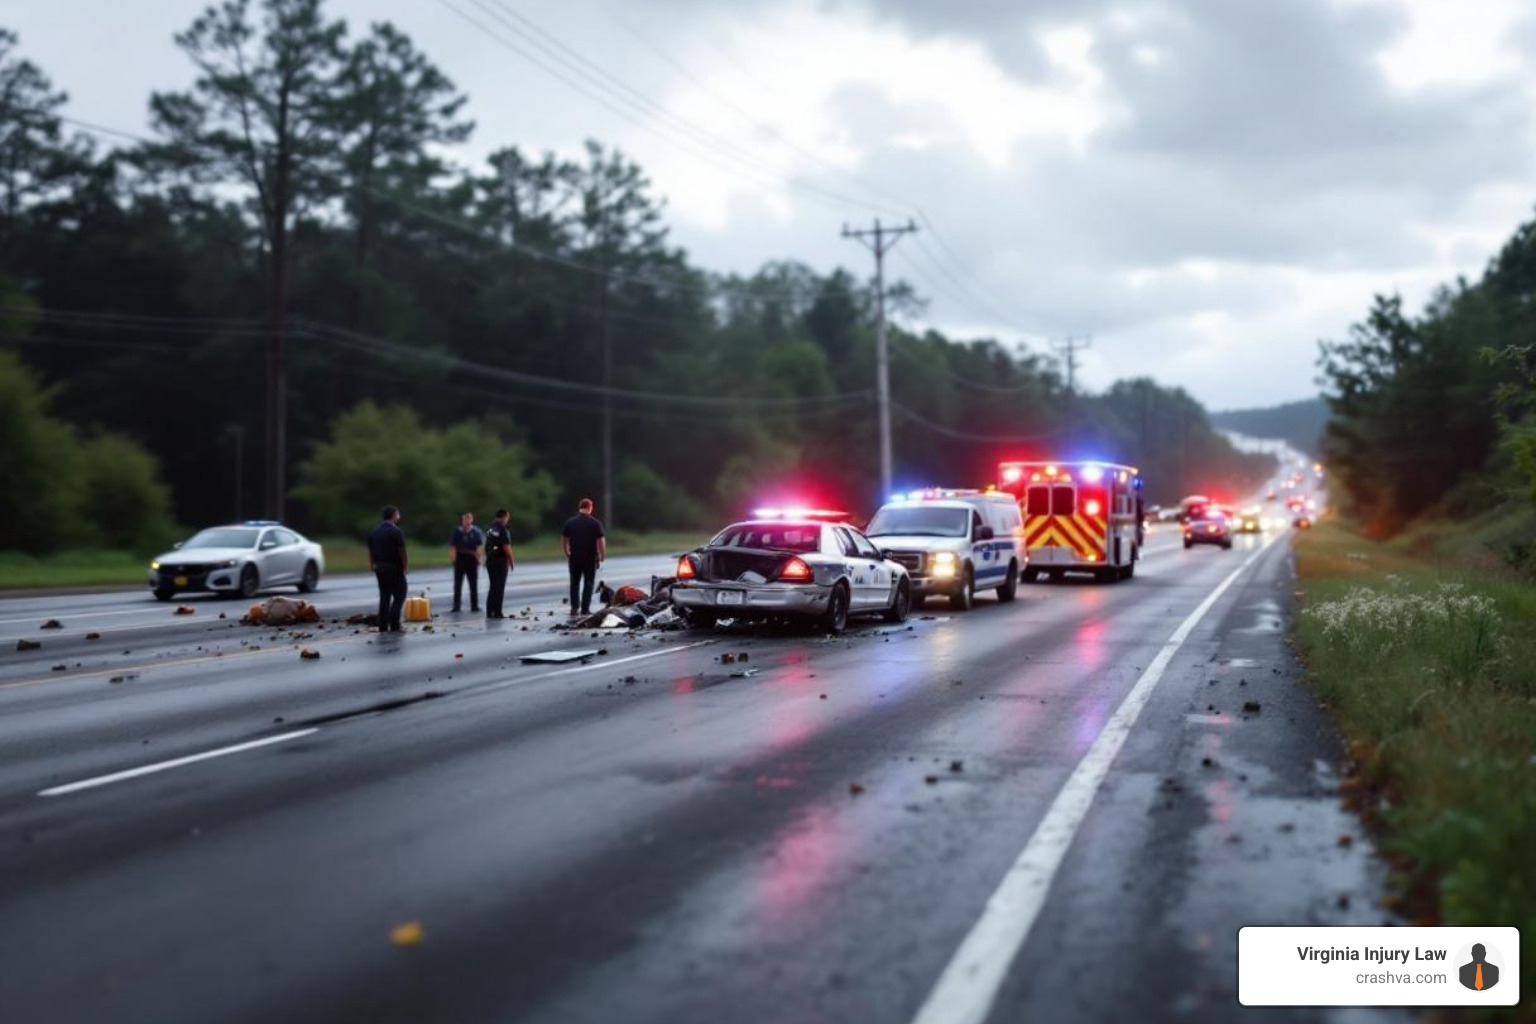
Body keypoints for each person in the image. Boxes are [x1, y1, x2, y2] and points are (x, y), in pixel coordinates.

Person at [561, 497, 606, 616]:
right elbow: (601, 541)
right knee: (588, 582)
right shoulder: (595, 523)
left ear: (580, 507)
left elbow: (564, 539)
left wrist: (566, 552)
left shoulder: (570, 522)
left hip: (574, 557)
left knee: (574, 583)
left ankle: (574, 608)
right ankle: (585, 609)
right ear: (590, 508)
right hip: (590, 558)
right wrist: (602, 555)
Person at [367, 505, 409, 632]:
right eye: (398, 514)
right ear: (394, 515)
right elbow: (401, 550)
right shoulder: (395, 531)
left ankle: (383, 625)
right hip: (394, 567)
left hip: (379, 567)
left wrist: (371, 565)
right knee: (400, 595)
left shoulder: (374, 532)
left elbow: (371, 551)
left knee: (384, 596)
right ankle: (395, 624)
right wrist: (405, 565)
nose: (399, 516)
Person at [448, 512, 485, 613]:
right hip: (460, 559)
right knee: (457, 584)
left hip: (472, 560)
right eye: (465, 519)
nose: (466, 521)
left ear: (472, 520)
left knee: (473, 584)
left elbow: (479, 546)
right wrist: (453, 560)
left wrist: (479, 559)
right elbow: (452, 546)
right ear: (462, 520)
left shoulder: (476, 531)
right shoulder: (458, 531)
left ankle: (474, 606)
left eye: (468, 519)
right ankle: (456, 606)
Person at [483, 508, 514, 619]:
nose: (508, 519)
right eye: (507, 517)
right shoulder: (503, 530)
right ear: (504, 517)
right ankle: (497, 612)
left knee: (493, 586)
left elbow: (488, 544)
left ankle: (489, 611)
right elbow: (506, 547)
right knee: (499, 587)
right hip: (500, 561)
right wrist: (511, 560)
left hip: (490, 560)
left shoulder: (490, 529)